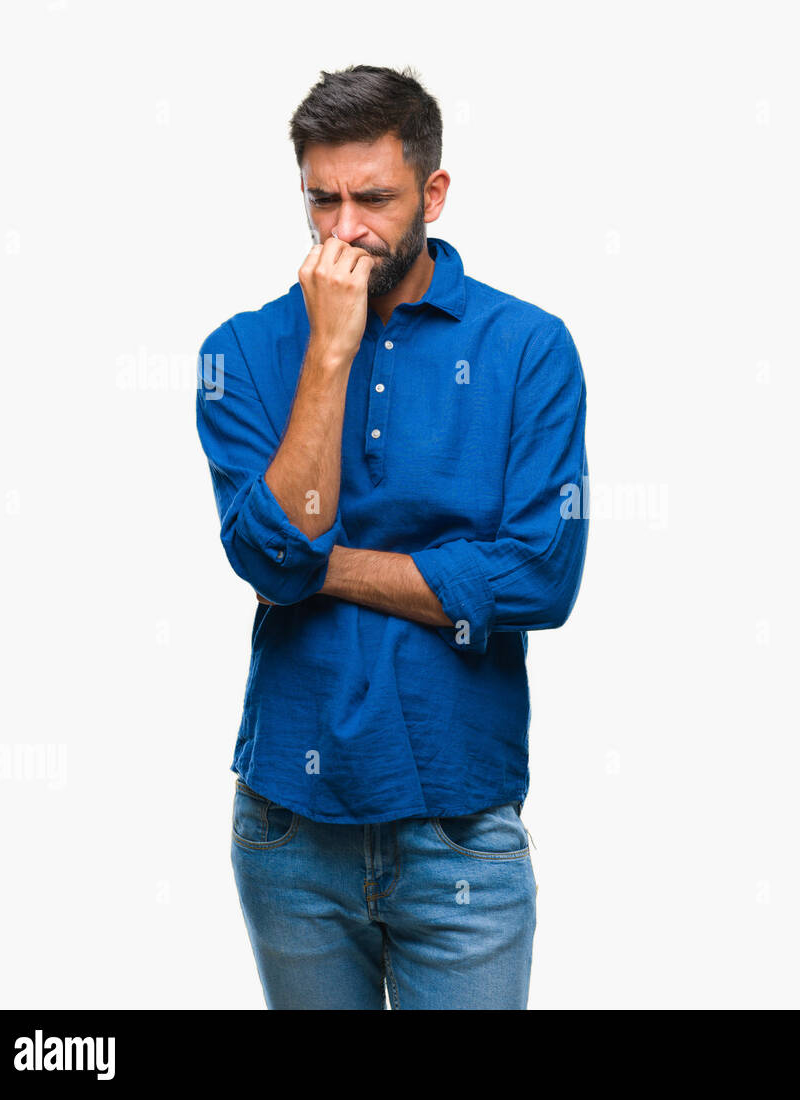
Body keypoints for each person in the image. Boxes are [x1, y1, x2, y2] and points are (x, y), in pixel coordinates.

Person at [194, 64, 589, 1009]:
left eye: (373, 199)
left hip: (459, 829)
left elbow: (539, 579)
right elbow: (265, 554)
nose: (345, 230)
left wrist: (318, 568)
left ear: (434, 195)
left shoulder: (528, 347)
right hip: (290, 825)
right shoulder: (241, 351)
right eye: (321, 201)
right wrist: (330, 350)